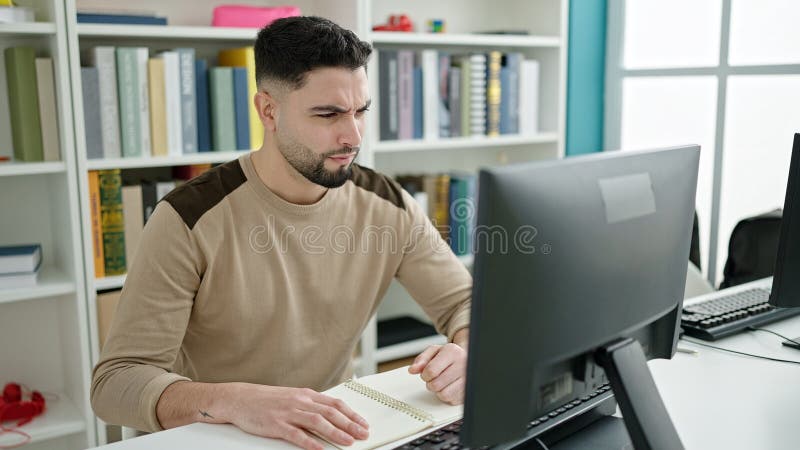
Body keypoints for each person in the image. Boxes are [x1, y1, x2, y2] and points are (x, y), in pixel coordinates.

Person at [90, 16, 472, 450]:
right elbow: (116, 382)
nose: (353, 136)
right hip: (216, 438)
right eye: (328, 114)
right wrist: (235, 401)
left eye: (361, 111)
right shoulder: (188, 217)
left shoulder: (387, 203)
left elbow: (465, 302)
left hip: (332, 437)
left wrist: (466, 351)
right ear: (268, 111)